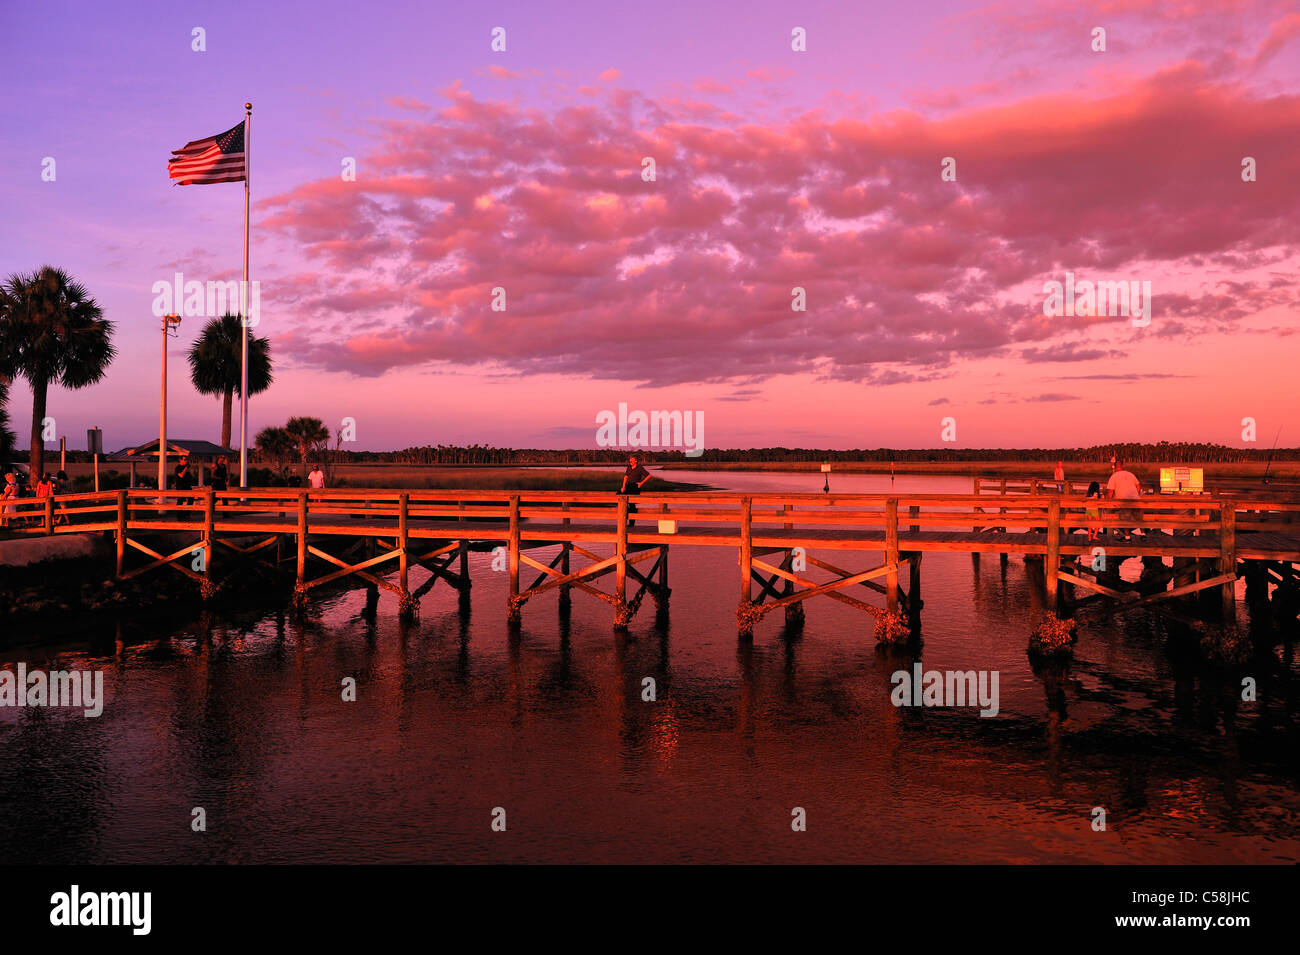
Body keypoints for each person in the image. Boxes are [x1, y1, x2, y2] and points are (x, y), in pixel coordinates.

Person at [1106, 461, 1143, 541]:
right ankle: (1143, 534)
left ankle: (1127, 537)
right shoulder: (1130, 474)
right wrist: (1137, 494)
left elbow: (1110, 491)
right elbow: (1138, 485)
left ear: (1115, 467)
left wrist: (1109, 502)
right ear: (1122, 466)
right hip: (1135, 499)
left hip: (1124, 500)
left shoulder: (1114, 476)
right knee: (1139, 518)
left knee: (1125, 519)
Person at [619, 454, 651, 527]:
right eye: (630, 461)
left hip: (635, 486)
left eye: (632, 461)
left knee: (632, 504)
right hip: (628, 486)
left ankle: (631, 523)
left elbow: (649, 476)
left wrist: (641, 483)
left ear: (636, 461)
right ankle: (625, 518)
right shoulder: (629, 467)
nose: (630, 462)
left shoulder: (640, 468)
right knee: (620, 496)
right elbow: (625, 477)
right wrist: (623, 487)